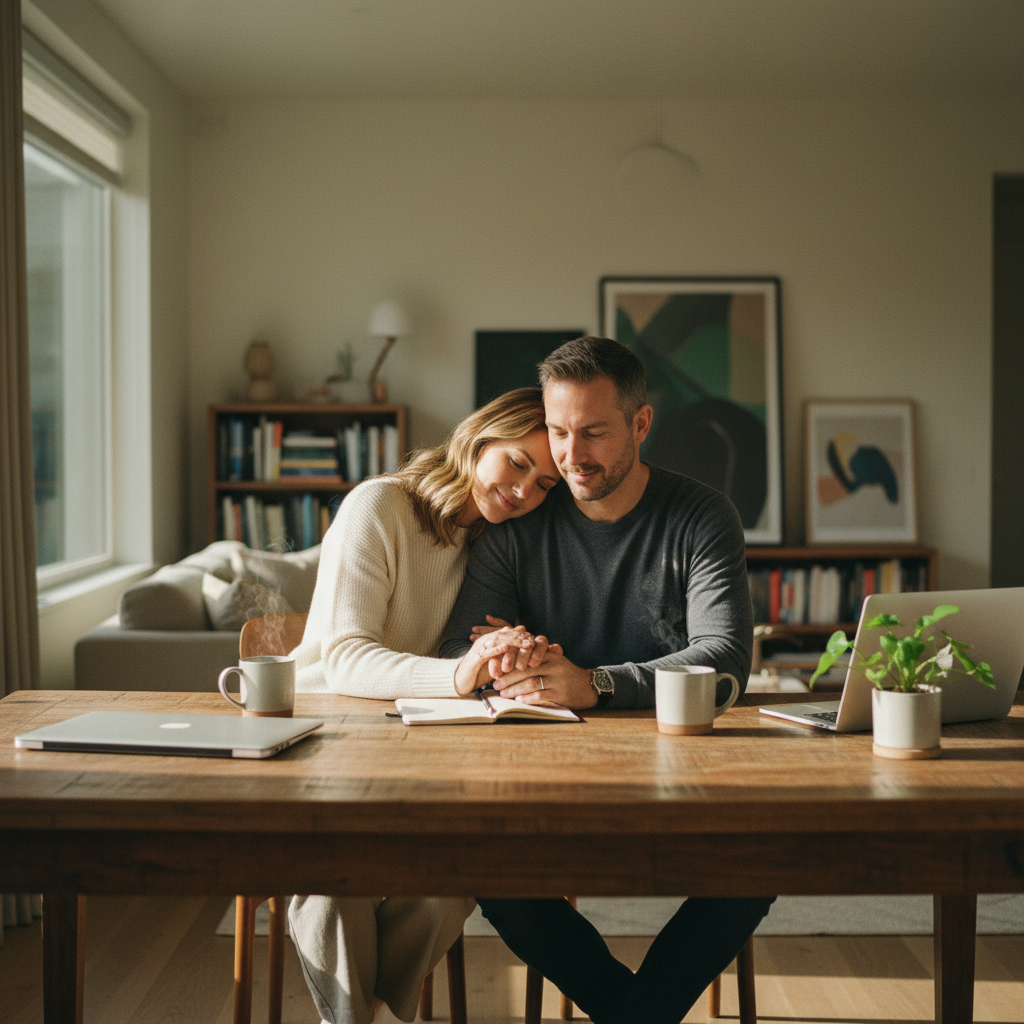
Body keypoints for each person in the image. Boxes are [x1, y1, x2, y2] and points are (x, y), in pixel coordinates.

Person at [440, 336, 774, 1024]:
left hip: (684, 768)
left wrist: (593, 683)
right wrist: (506, 657)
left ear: (641, 425)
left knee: (764, 860)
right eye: (559, 432)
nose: (570, 455)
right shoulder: (517, 528)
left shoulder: (702, 516)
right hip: (544, 772)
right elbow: (461, 646)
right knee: (485, 867)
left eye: (592, 432)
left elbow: (727, 656)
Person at [288, 387, 560, 1024]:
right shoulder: (378, 505)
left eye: (544, 483)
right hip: (324, 742)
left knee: (452, 878)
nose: (524, 492)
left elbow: (471, 661)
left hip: (423, 749)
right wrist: (461, 674)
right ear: (479, 437)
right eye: (517, 463)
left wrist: (508, 654)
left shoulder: (496, 547)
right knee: (335, 885)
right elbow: (344, 659)